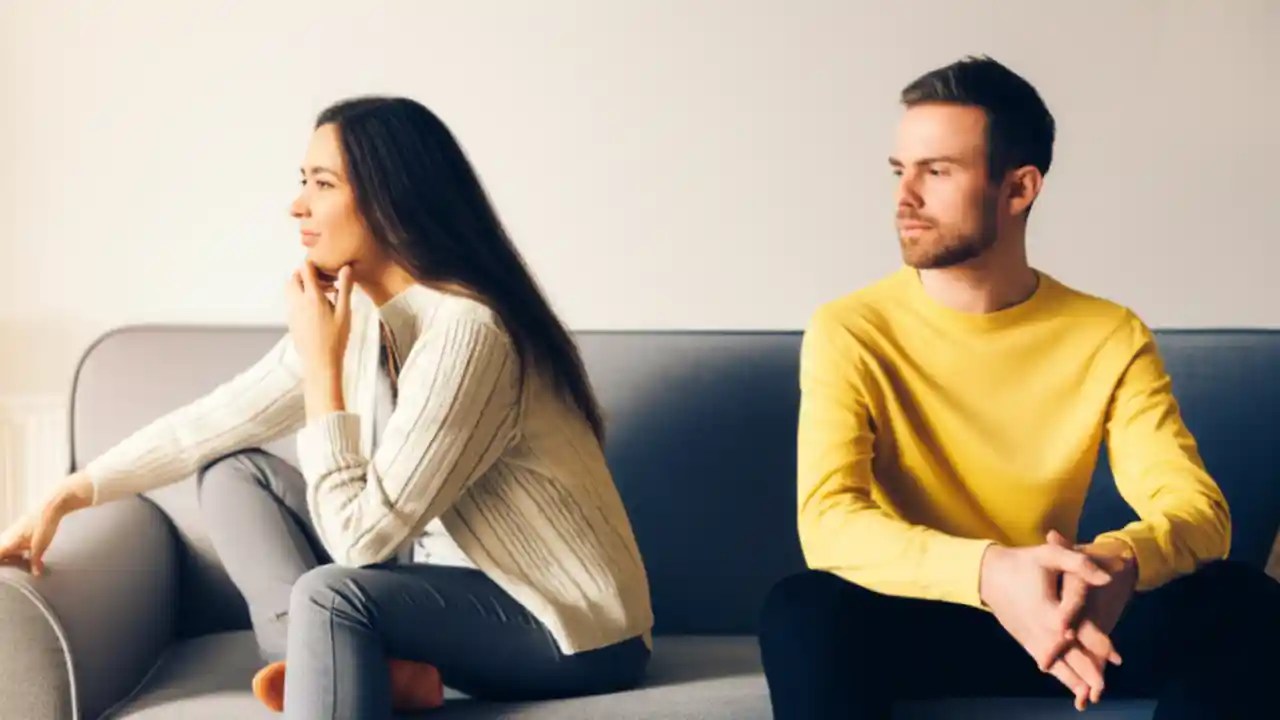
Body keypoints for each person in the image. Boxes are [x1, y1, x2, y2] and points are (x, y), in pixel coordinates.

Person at [0, 96, 654, 719]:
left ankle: (332, 659)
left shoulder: (468, 331)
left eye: (321, 183)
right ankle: (341, 662)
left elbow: (361, 540)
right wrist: (71, 493)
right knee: (233, 472)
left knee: (331, 594)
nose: (296, 206)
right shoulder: (366, 320)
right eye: (303, 181)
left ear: (390, 197)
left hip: (565, 628)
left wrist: (320, 368)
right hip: (437, 598)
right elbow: (214, 420)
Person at [757, 56, 1280, 719]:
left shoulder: (1106, 332)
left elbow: (1198, 510)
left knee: (1244, 602)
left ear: (1019, 188)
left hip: (1067, 618)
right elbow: (831, 522)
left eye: (936, 171)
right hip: (921, 617)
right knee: (801, 609)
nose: (904, 197)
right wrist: (990, 571)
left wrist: (1120, 563)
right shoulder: (850, 329)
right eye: (900, 171)